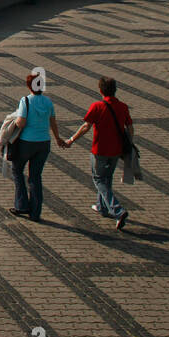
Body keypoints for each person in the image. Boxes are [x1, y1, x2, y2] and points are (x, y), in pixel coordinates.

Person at [65, 77, 132, 229]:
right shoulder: (123, 107)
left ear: (100, 90)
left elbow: (86, 126)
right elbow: (130, 127)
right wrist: (129, 145)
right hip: (116, 150)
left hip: (100, 150)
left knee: (99, 180)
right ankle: (101, 207)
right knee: (107, 178)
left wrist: (71, 139)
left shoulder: (97, 106)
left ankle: (118, 210)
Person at [7, 69, 68, 222]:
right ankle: (35, 212)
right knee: (35, 177)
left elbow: (21, 122)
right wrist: (57, 138)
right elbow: (53, 121)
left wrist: (11, 122)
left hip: (26, 143)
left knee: (17, 171)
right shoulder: (48, 102)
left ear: (29, 87)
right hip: (44, 143)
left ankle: (21, 205)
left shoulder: (26, 101)